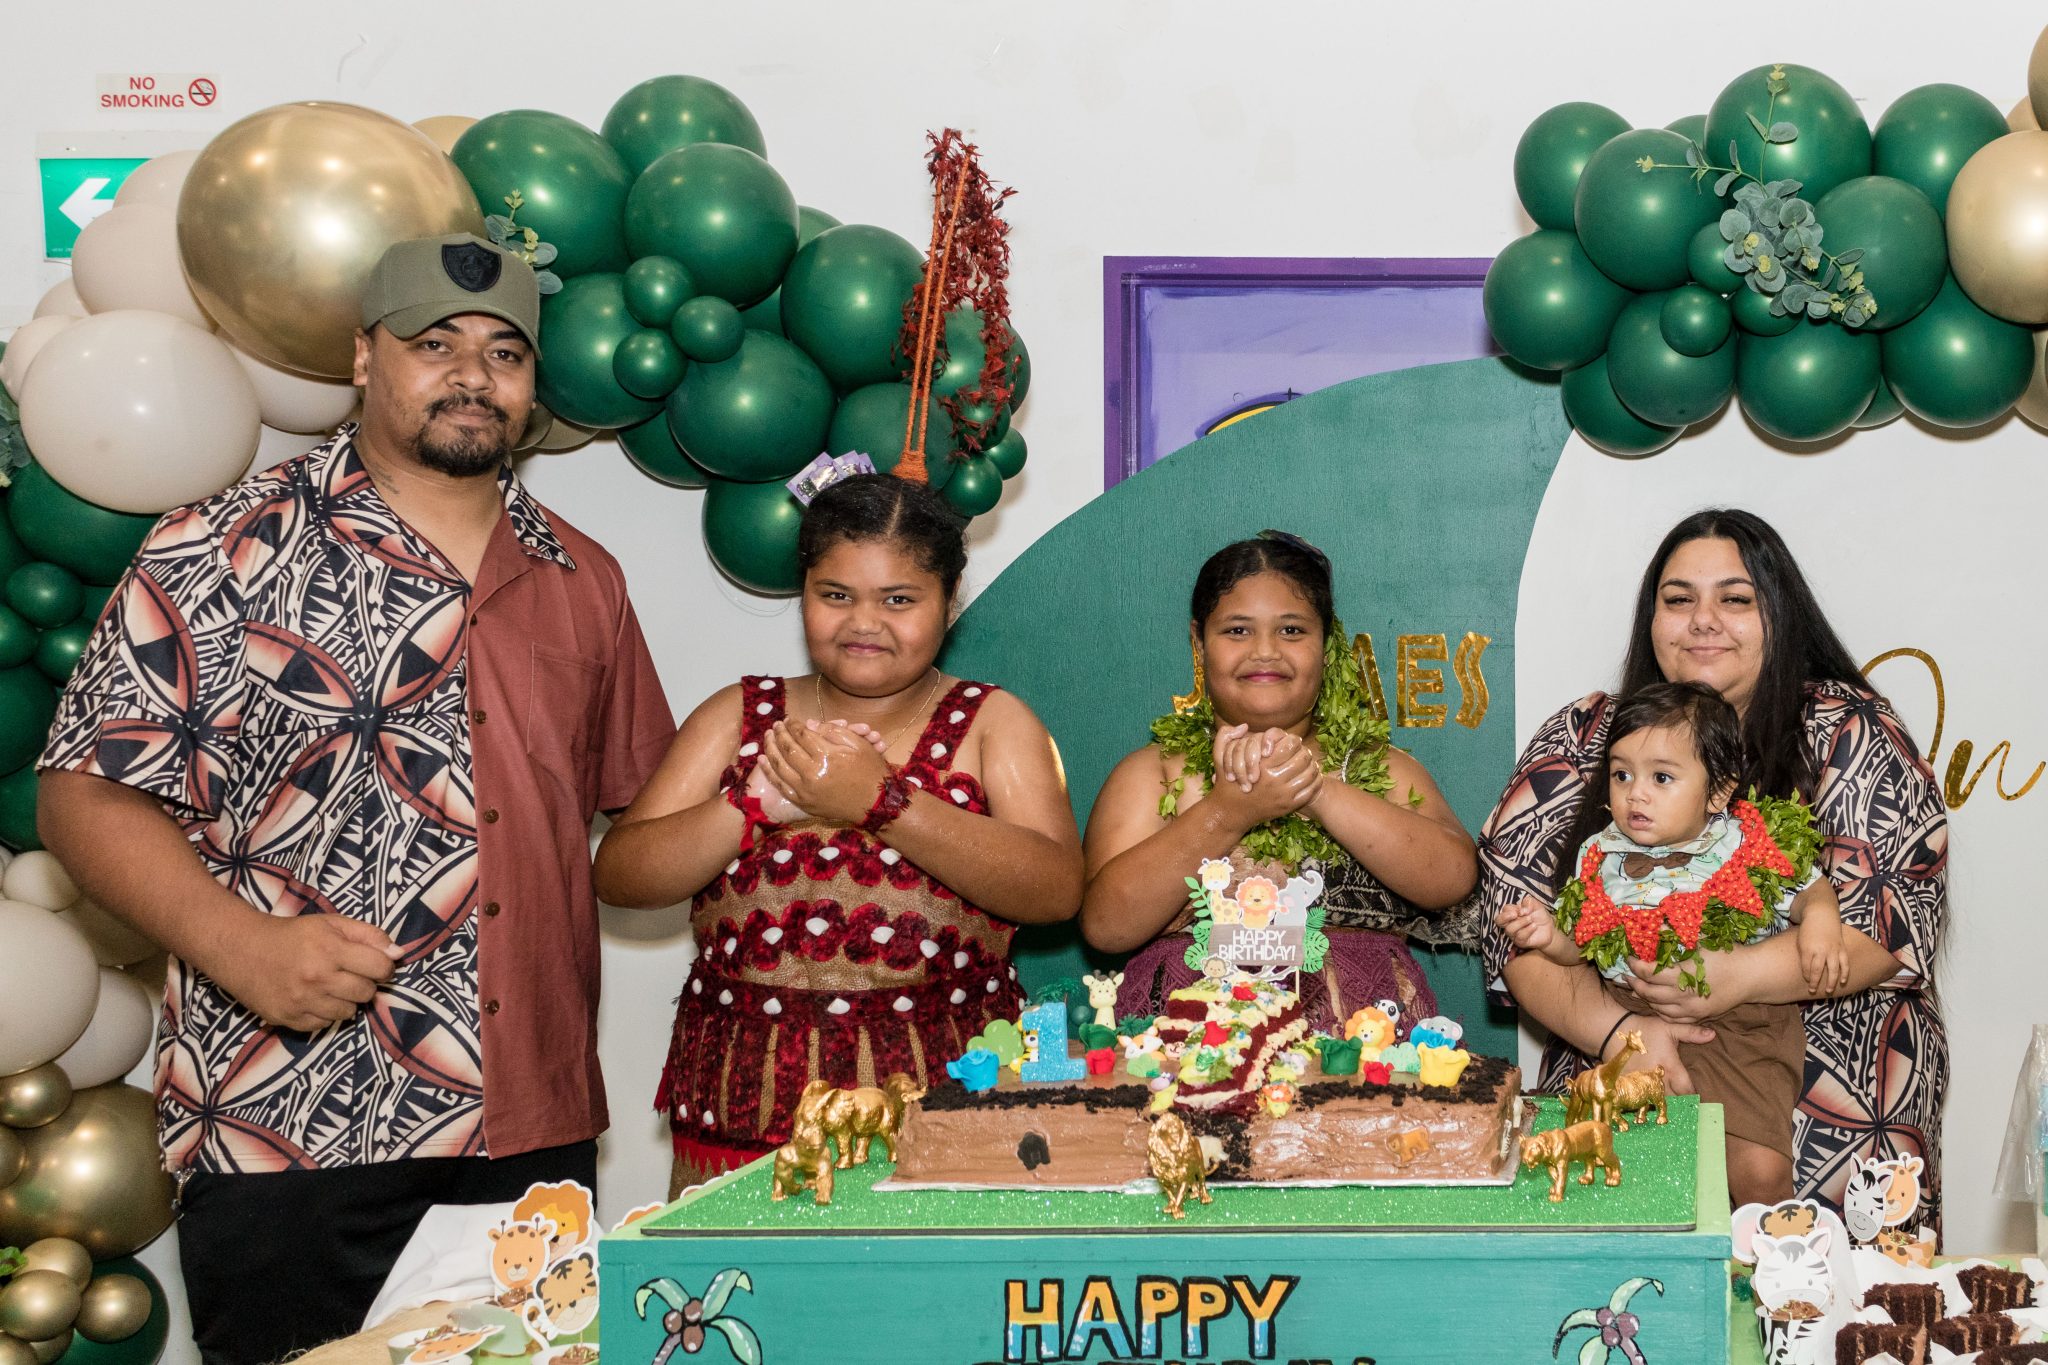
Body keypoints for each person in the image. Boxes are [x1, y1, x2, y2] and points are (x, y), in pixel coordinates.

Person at [36, 233, 675, 1363]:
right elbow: (86, 794)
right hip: (292, 1121)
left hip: (530, 1129)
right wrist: (238, 945)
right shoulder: (221, 547)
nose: (473, 375)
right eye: (435, 344)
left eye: (504, 352)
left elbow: (641, 820)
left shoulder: (584, 576)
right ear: (363, 359)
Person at [594, 473, 1084, 1197]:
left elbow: (1056, 888)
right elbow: (621, 874)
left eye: (899, 599)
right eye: (835, 594)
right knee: (735, 1307)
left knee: (922, 1308)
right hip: (739, 1101)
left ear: (950, 603)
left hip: (941, 1104)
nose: (865, 622)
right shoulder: (740, 713)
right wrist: (754, 805)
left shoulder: (993, 721)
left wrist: (882, 801)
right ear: (803, 595)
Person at [1479, 508, 1948, 1226]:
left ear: (1779, 615)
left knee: (1801, 1308)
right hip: (1624, 1083)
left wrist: (1731, 976)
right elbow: (1511, 923)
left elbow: (1892, 919)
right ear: (1651, 617)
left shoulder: (1849, 730)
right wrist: (1622, 1036)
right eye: (1677, 598)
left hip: (1832, 1111)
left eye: (1735, 598)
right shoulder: (1585, 734)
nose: (1703, 620)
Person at [1080, 532, 1476, 1032]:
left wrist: (1312, 790)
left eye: (1291, 630)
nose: (1265, 652)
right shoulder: (1155, 773)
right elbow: (1106, 926)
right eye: (1237, 631)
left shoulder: (1380, 769)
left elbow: (1453, 878)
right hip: (1188, 1054)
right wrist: (1228, 812)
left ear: (1327, 646)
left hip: (1360, 1052)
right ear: (1198, 643)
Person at [1495, 680, 1846, 1205]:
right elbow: (1582, 943)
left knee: (1758, 1171)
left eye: (1662, 777)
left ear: (1719, 791)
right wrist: (1550, 936)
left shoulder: (1737, 845)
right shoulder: (1602, 855)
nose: (1636, 793)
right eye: (1621, 774)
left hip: (1740, 1027)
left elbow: (1807, 890)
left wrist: (1821, 923)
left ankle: (1762, 1264)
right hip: (1633, 1019)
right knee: (1645, 1172)